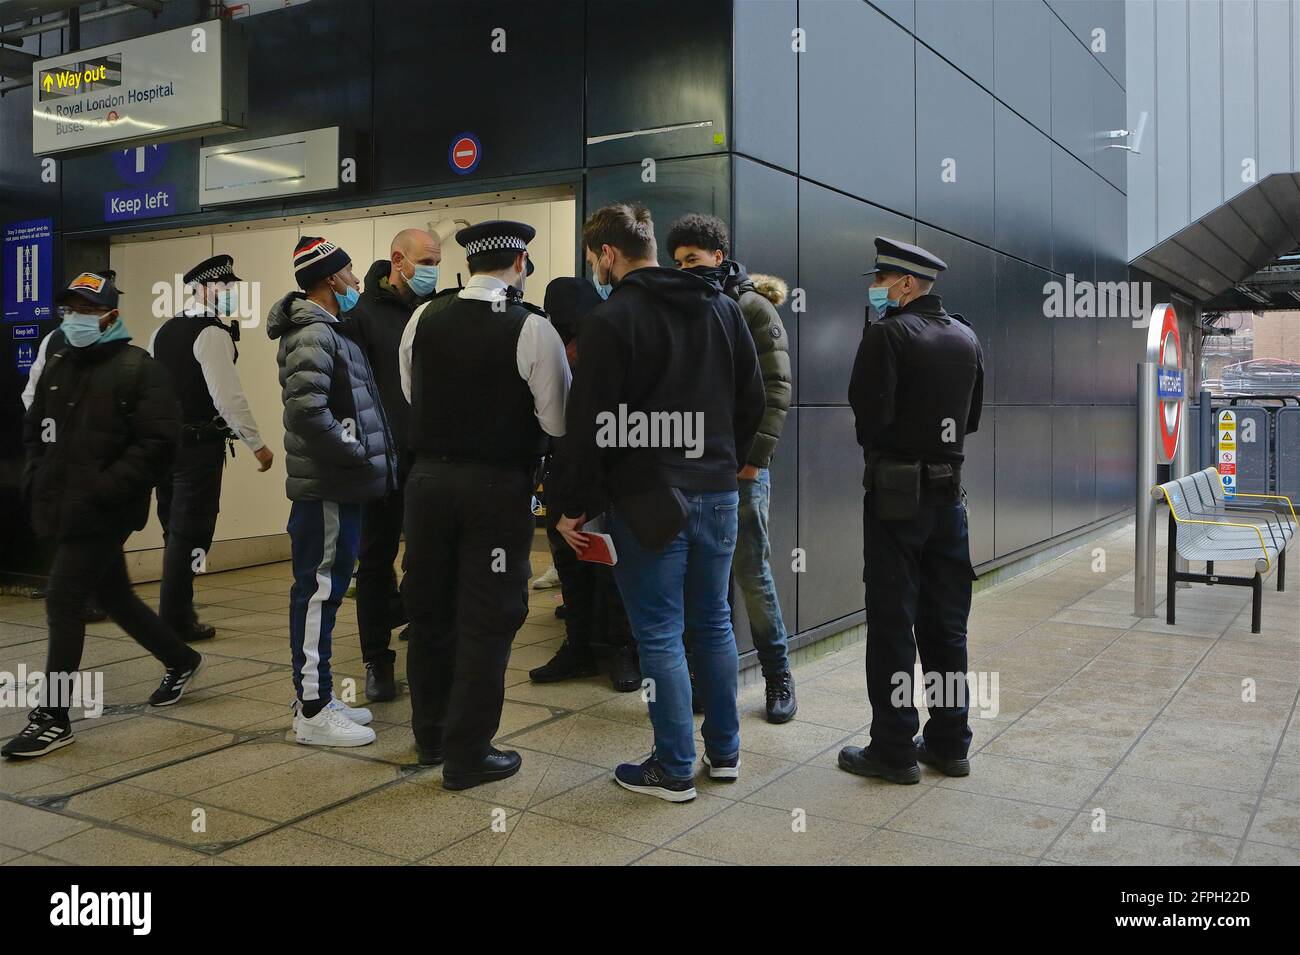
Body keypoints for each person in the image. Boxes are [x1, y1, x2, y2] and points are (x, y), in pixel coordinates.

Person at [553, 203, 764, 802]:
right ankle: (724, 754)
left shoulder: (610, 319)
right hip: (718, 491)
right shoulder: (722, 308)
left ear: (607, 255)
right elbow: (752, 398)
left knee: (660, 635)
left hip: (647, 501)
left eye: (595, 259)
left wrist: (571, 505)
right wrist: (725, 458)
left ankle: (673, 769)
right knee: (715, 624)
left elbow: (590, 422)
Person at [4, 272, 205, 759]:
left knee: (62, 598)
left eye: (85, 310)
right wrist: (36, 474)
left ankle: (52, 717)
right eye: (69, 309)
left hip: (105, 509)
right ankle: (181, 658)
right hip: (63, 500)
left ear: (111, 315)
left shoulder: (139, 368)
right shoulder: (58, 362)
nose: (74, 318)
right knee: (115, 595)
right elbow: (36, 425)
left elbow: (159, 443)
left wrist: (104, 487)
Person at [399, 220, 569, 790]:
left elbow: (409, 392)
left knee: (428, 608)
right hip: (496, 489)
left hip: (425, 484)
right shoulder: (532, 328)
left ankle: (430, 733)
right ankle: (469, 752)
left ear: (468, 264)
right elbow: (556, 420)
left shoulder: (423, 317)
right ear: (520, 262)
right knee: (488, 614)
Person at [842, 237, 984, 785]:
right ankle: (951, 743)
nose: (874, 289)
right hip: (950, 500)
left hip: (896, 501)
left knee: (893, 624)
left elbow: (868, 422)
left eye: (879, 281)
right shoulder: (966, 336)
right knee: (947, 627)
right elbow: (969, 420)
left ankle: (894, 749)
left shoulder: (887, 336)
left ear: (903, 284)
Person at [667, 213, 796, 724]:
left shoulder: (751, 306)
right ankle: (708, 679)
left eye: (693, 260)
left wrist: (752, 460)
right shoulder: (687, 308)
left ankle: (778, 675)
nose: (685, 269)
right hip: (695, 466)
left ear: (719, 256)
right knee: (701, 579)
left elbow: (777, 390)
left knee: (750, 572)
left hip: (739, 469)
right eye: (677, 262)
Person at [268, 236, 396, 747]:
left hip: (338, 487)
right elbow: (307, 410)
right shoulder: (313, 335)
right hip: (327, 487)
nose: (357, 282)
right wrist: (356, 453)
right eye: (349, 273)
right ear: (329, 280)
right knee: (318, 592)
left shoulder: (328, 330)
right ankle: (314, 711)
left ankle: (315, 694)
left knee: (326, 589)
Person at [149, 254, 273, 643]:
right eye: (225, 287)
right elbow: (228, 398)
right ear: (203, 289)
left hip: (165, 444)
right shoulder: (212, 333)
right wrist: (257, 444)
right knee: (193, 531)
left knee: (174, 529)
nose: (231, 292)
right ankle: (176, 619)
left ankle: (177, 611)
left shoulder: (162, 330)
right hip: (198, 447)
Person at [342, 228, 443, 702]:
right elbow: (350, 391)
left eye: (438, 261)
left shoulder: (436, 310)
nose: (433, 270)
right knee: (376, 559)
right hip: (380, 462)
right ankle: (376, 660)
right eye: (426, 261)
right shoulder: (361, 317)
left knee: (426, 558)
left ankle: (422, 634)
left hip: (429, 460)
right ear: (397, 259)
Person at [529, 276, 640, 692]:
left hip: (608, 476)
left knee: (612, 570)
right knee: (571, 567)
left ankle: (622, 651)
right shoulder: (552, 353)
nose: (568, 348)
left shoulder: (608, 351)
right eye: (562, 336)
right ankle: (578, 648)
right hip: (566, 473)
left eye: (572, 336)